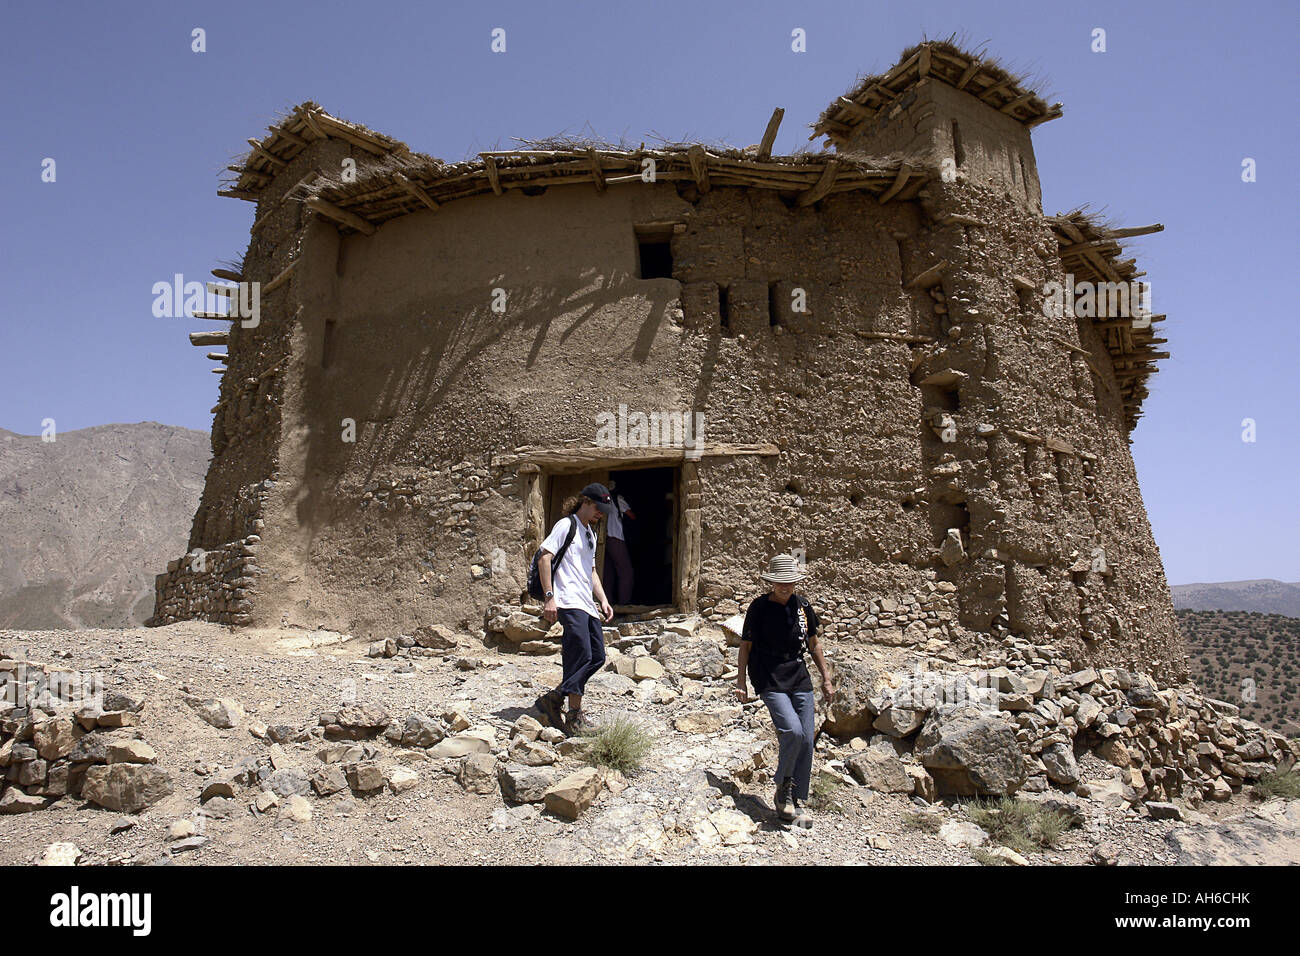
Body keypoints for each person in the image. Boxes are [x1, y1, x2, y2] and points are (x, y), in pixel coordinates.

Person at [734, 553, 833, 829]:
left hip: (798, 675)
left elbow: (814, 644)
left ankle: (795, 801)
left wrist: (826, 677)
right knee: (793, 731)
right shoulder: (759, 607)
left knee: (806, 737)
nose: (785, 586)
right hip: (768, 674)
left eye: (789, 582)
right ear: (771, 583)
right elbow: (745, 645)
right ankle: (783, 787)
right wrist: (741, 681)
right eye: (780, 582)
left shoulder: (802, 606)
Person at [533, 483, 615, 735]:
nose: (600, 513)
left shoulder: (590, 533)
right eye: (597, 508)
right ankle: (574, 716)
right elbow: (544, 557)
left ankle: (555, 697)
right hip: (567, 600)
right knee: (580, 653)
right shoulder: (566, 525)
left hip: (586, 604)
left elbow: (591, 571)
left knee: (597, 656)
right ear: (586, 502)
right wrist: (549, 597)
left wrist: (602, 599)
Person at [601, 485, 637, 606]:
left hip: (602, 539)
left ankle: (607, 603)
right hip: (615, 536)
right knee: (626, 571)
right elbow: (631, 515)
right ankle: (624, 603)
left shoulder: (599, 498)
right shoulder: (617, 498)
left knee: (607, 573)